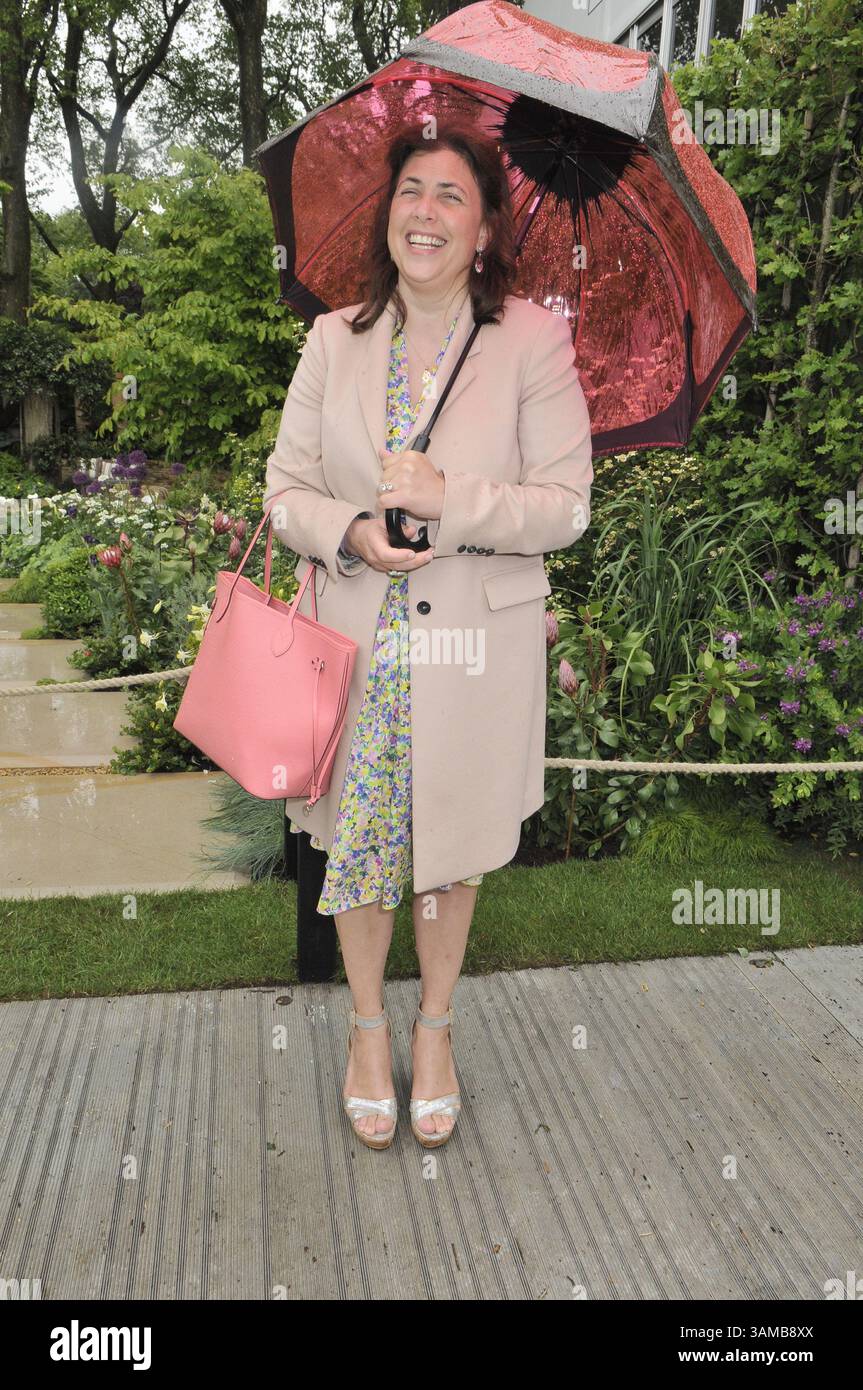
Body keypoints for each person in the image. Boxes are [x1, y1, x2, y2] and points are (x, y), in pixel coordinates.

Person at [263, 118, 593, 1150]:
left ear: (486, 231)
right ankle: (369, 1032)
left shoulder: (530, 341)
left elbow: (565, 506)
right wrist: (353, 531)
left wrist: (451, 502)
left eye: (452, 195)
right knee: (358, 844)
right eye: (411, 189)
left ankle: (435, 1031)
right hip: (358, 644)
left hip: (468, 653)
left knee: (448, 855)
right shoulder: (335, 338)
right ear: (386, 212)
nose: (425, 211)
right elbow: (284, 493)